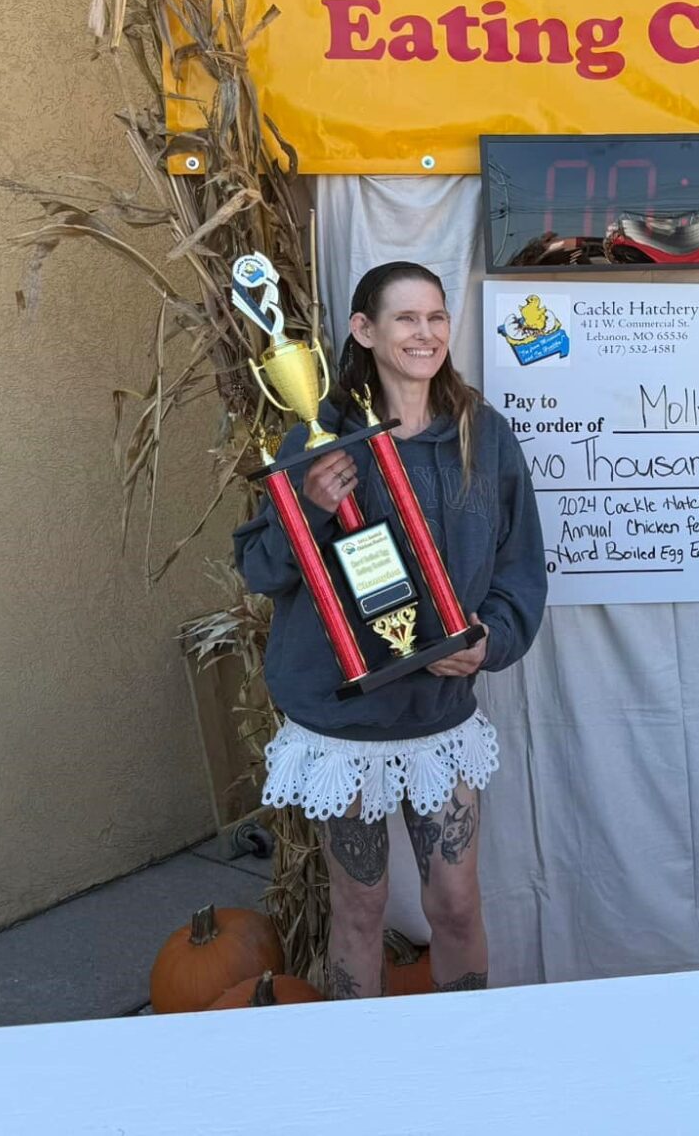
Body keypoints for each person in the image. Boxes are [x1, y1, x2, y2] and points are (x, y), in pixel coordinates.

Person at [234, 260, 546, 995]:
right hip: (346, 726)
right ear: (364, 330)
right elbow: (262, 569)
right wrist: (309, 505)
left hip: (438, 718)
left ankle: (470, 1062)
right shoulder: (316, 438)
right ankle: (362, 1083)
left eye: (436, 317)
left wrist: (486, 640)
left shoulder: (485, 436)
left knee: (458, 904)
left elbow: (520, 565)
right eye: (406, 318)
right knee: (361, 906)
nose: (425, 333)